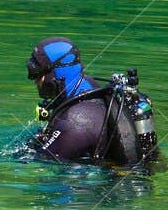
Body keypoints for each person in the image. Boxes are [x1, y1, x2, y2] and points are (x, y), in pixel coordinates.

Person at [25, 39, 159, 167]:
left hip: (109, 185)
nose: (34, 80)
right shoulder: (89, 87)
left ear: (55, 74)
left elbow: (42, 161)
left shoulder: (76, 122)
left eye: (36, 74)